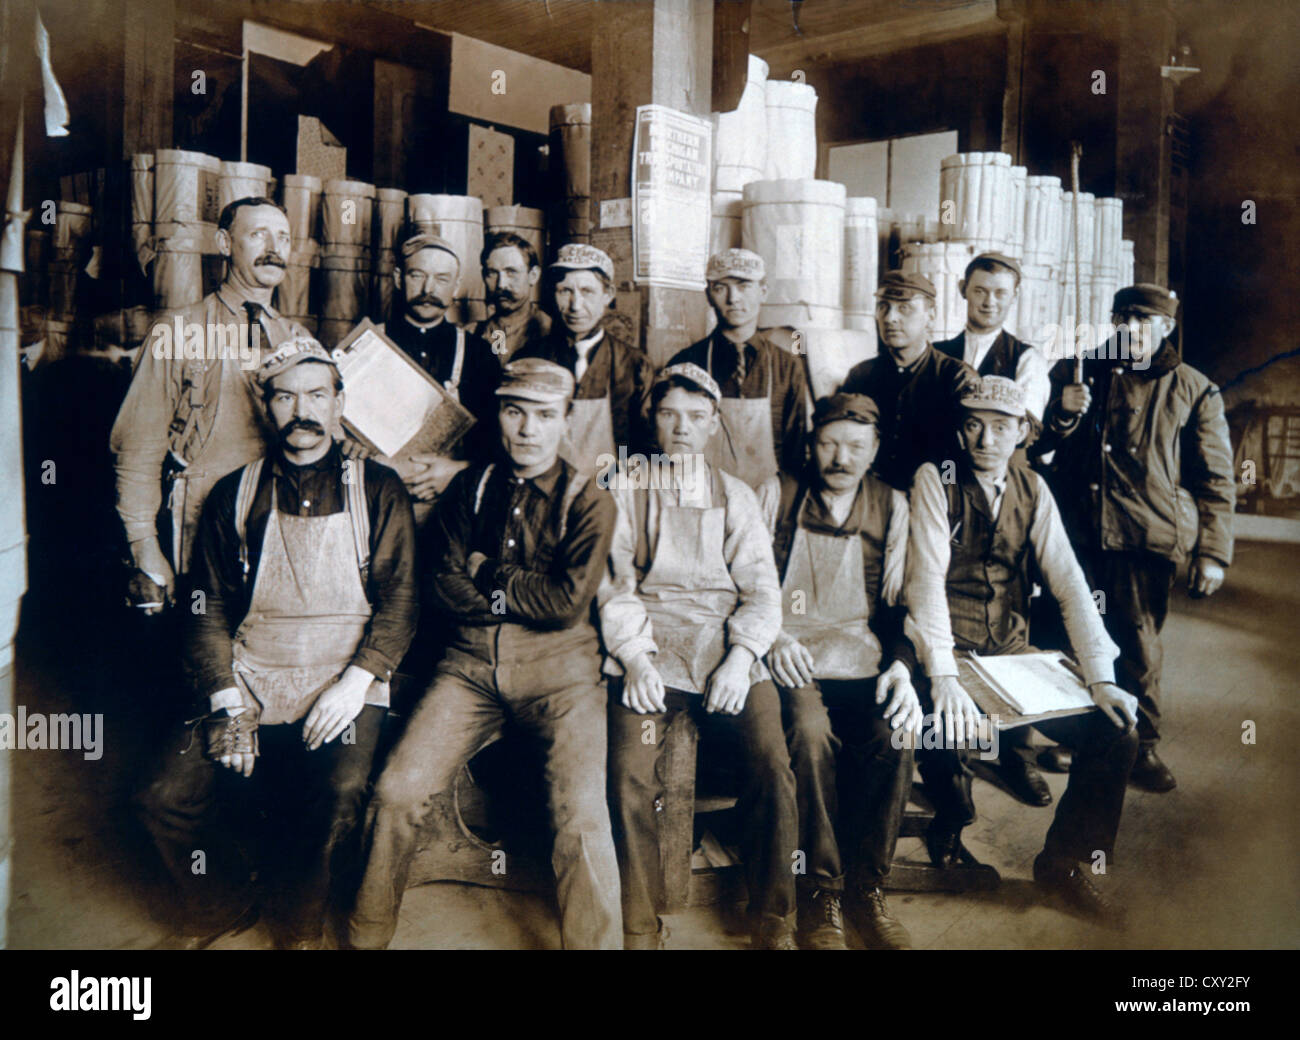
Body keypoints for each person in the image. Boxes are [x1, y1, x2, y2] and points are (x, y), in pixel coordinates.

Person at [135, 337, 418, 949]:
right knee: (163, 795)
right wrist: (228, 704)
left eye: (318, 395)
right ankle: (224, 903)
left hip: (347, 672)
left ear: (341, 404)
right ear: (266, 408)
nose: (302, 410)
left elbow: (400, 605)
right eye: (285, 396)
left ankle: (299, 928)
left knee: (339, 792)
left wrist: (355, 684)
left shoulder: (379, 488)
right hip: (254, 668)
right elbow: (204, 608)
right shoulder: (235, 492)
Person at [349, 358, 623, 950]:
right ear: (499, 414)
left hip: (563, 674)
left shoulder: (590, 496)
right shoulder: (470, 486)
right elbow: (441, 585)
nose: (527, 429)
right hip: (470, 667)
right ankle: (365, 935)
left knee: (581, 815)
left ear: (566, 421)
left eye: (544, 415)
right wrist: (501, 595)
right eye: (515, 411)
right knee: (396, 790)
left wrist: (488, 574)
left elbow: (564, 605)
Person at [906, 375, 1140, 925]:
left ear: (1024, 432)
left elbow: (1070, 584)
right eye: (973, 425)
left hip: (1009, 651)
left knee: (1117, 731)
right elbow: (925, 584)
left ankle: (1064, 863)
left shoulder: (1033, 487)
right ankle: (950, 820)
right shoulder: (934, 480)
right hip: (948, 646)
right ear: (960, 432)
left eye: (1001, 427)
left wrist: (1101, 675)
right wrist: (942, 674)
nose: (985, 439)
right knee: (948, 717)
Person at [599, 363, 797, 950]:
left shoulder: (736, 496)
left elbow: (763, 591)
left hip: (721, 645)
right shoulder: (624, 488)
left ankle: (774, 919)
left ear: (714, 425)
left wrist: (741, 659)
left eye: (695, 416)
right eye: (668, 414)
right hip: (648, 647)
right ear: (652, 420)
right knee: (630, 774)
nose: (681, 428)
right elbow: (614, 586)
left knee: (773, 765)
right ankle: (639, 925)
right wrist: (635, 658)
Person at [1034, 284, 1235, 792]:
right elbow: (1033, 445)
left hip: (1144, 536)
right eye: (1122, 319)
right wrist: (1062, 412)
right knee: (1072, 637)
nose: (1131, 330)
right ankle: (1080, 735)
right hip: (1076, 533)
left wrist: (1212, 552)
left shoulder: (1194, 388)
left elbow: (1215, 477)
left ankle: (1141, 745)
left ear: (1166, 327)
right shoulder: (1077, 371)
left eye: (1144, 321)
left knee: (1136, 641)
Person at [755, 392, 922, 950]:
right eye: (828, 443)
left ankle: (869, 888)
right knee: (807, 732)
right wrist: (772, 635)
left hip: (859, 657)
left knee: (895, 731)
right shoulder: (776, 494)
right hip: (788, 656)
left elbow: (902, 607)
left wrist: (901, 665)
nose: (840, 458)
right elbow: (741, 583)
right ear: (811, 444)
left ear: (874, 450)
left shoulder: (893, 506)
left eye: (855, 446)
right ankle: (820, 892)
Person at [110, 196, 310, 609]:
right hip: (199, 526)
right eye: (258, 235)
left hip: (281, 530)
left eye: (284, 238)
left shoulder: (300, 341)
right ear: (223, 243)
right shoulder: (178, 330)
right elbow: (138, 445)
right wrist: (143, 543)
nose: (274, 247)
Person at [934, 252, 1054, 806]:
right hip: (949, 491)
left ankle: (1016, 755)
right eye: (980, 290)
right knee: (947, 611)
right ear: (963, 289)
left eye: (1000, 294)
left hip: (1007, 495)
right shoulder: (940, 353)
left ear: (1012, 299)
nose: (988, 301)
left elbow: (1022, 429)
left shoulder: (1027, 358)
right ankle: (950, 760)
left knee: (1007, 615)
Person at [666, 248, 810, 487]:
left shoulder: (787, 365)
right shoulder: (686, 362)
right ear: (708, 296)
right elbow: (670, 445)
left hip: (769, 500)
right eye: (721, 288)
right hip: (702, 493)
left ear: (763, 292)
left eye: (744, 286)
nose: (733, 298)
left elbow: (796, 451)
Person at [380, 232, 501, 516]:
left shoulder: (479, 354)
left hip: (453, 509)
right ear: (398, 278)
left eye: (442, 279)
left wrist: (457, 470)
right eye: (417, 276)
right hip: (381, 504)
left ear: (456, 286)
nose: (428, 289)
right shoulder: (367, 345)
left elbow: (498, 446)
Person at [514, 243, 654, 475]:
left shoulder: (635, 365)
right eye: (565, 291)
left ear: (607, 295)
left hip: (612, 492)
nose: (575, 306)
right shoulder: (529, 359)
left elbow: (649, 447)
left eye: (587, 292)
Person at [840, 271, 979, 492]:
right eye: (883, 307)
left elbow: (960, 456)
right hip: (873, 498)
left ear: (930, 315)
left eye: (904, 308)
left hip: (935, 497)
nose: (889, 318)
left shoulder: (957, 378)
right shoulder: (861, 376)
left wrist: (949, 497)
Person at [473, 230, 551, 362]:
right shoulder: (472, 334)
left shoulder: (552, 332)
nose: (501, 285)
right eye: (492, 273)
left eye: (511, 272)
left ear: (533, 276)